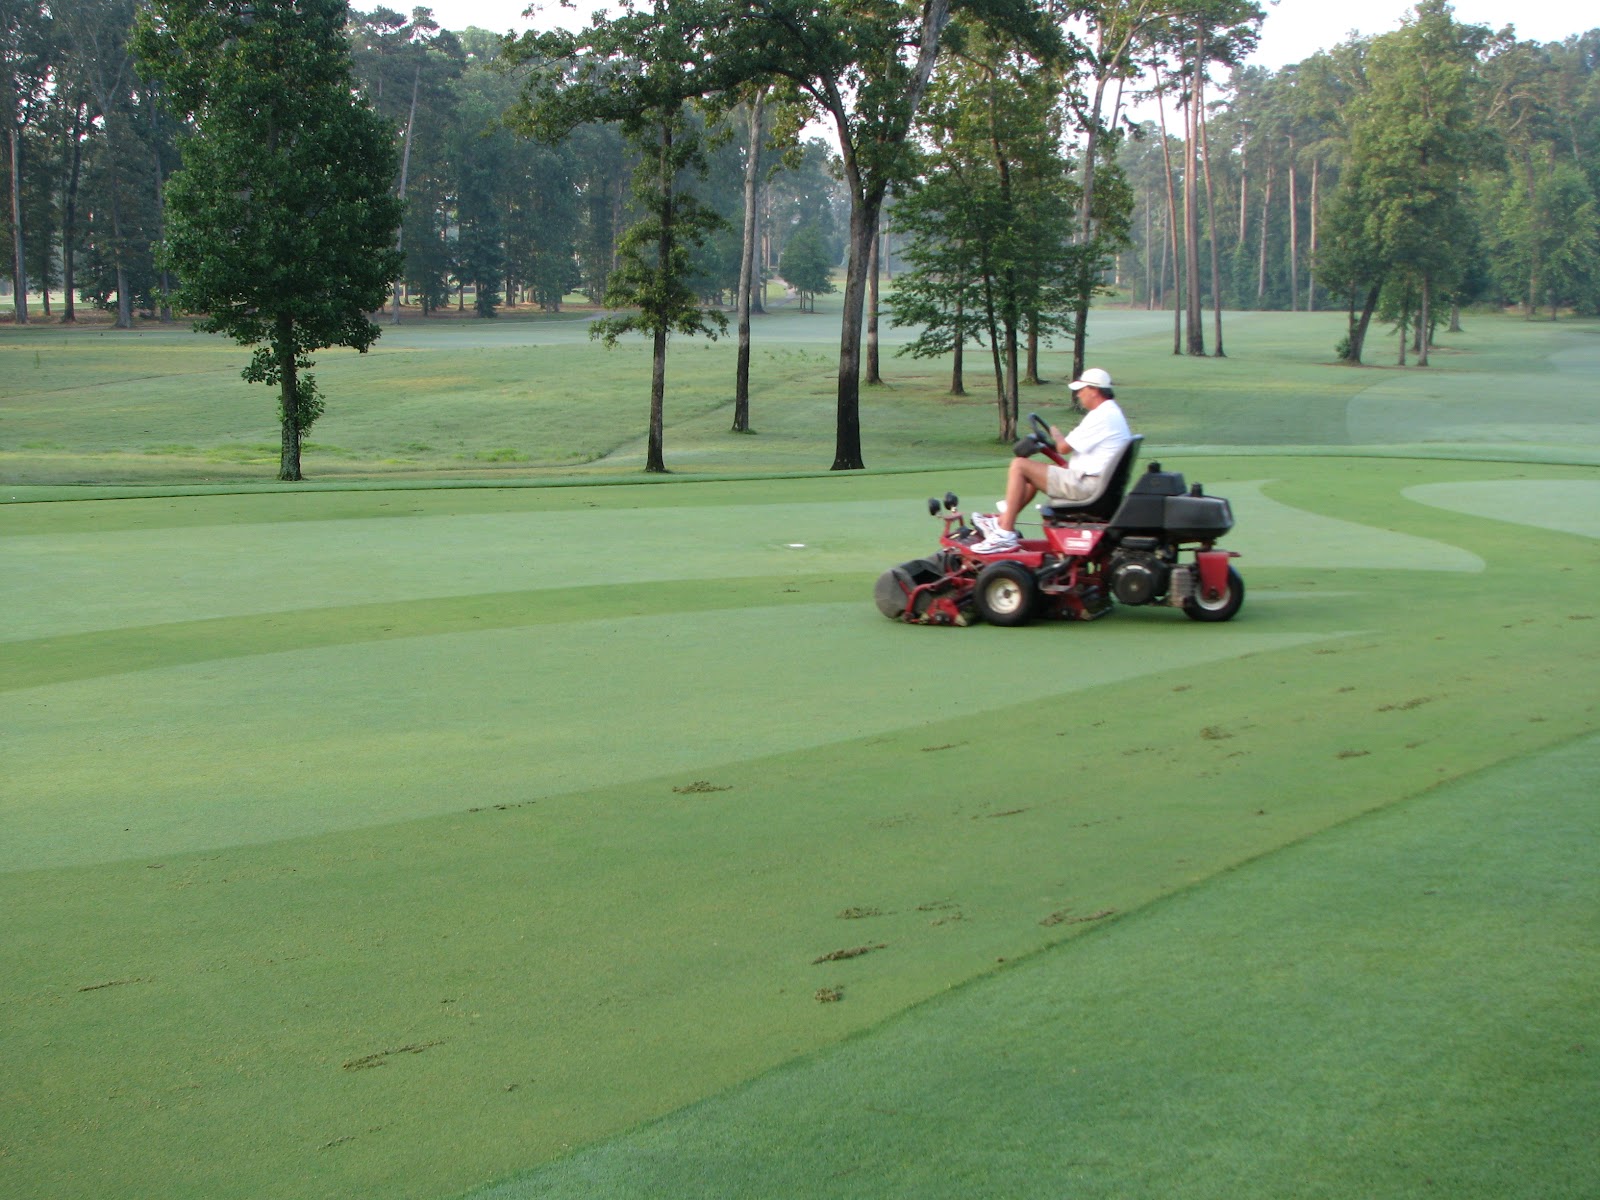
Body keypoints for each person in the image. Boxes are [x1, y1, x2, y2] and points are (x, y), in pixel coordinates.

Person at [970, 367, 1132, 553]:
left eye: (1081, 390)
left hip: (1088, 487)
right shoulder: (1111, 412)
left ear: (1094, 390)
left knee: (1019, 466)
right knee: (1038, 471)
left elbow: (1063, 448)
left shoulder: (1101, 415)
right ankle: (1001, 522)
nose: (1078, 394)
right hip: (1096, 484)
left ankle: (1004, 533)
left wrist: (1055, 434)